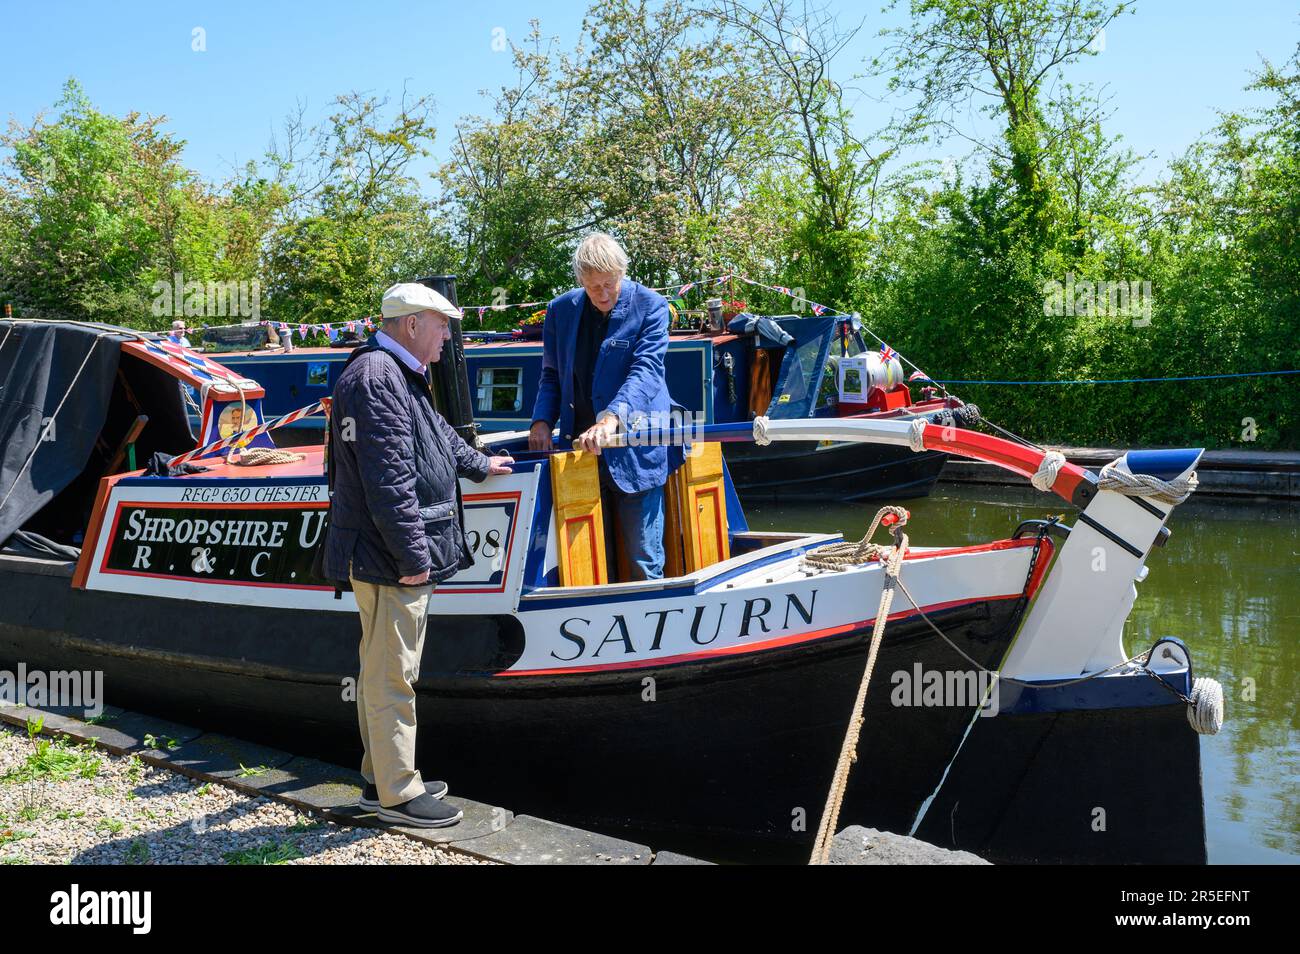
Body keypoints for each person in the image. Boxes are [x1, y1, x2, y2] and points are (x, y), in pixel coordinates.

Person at [322, 282, 513, 828]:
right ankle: (399, 796)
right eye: (442, 324)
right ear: (411, 325)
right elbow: (388, 481)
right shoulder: (379, 378)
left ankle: (378, 777)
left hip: (381, 551)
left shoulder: (392, 373)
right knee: (392, 675)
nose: (448, 335)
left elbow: (432, 438)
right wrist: (412, 554)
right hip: (387, 556)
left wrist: (478, 463)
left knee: (381, 667)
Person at [529, 232, 674, 581]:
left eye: (610, 284)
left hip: (636, 448)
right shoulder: (560, 311)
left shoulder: (651, 306)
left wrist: (612, 419)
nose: (604, 293)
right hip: (581, 454)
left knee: (643, 560)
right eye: (594, 287)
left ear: (622, 273)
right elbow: (551, 374)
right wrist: (541, 420)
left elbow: (646, 371)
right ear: (581, 281)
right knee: (586, 564)